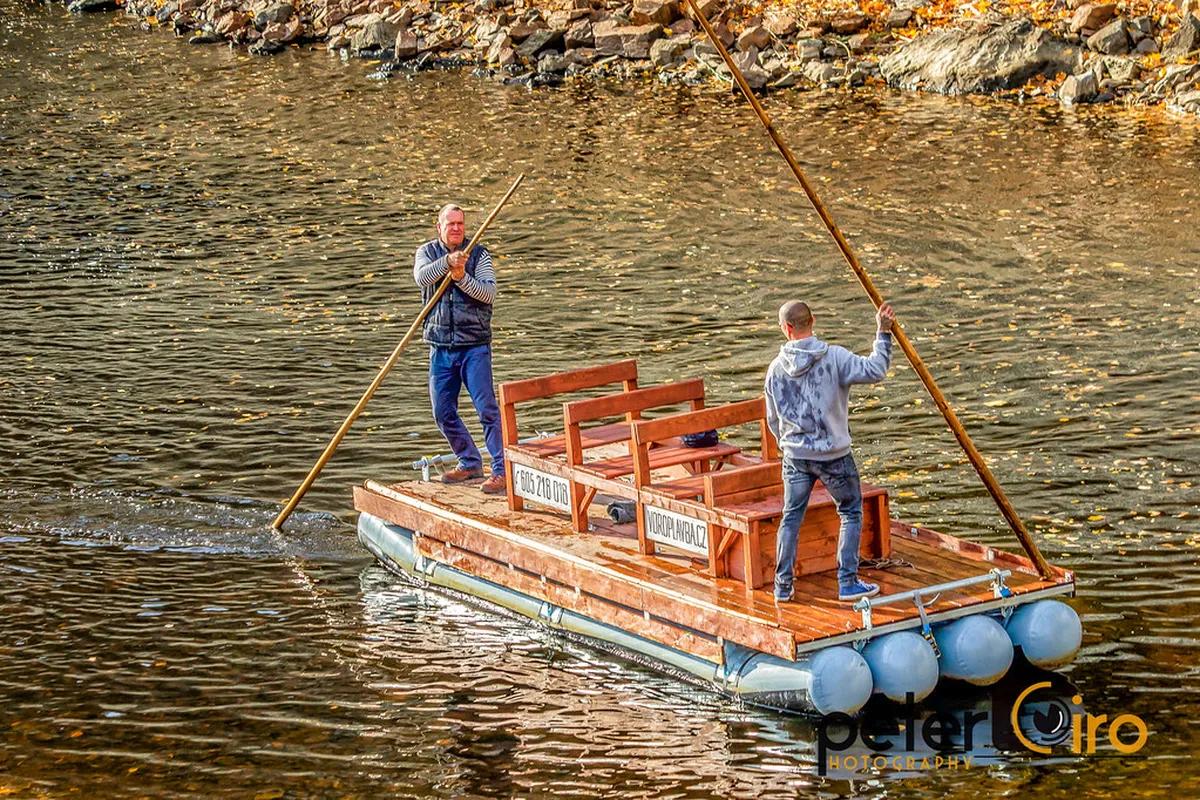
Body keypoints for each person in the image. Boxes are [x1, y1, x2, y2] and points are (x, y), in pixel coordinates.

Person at [764, 299, 895, 602]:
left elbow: (773, 418)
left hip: (795, 455)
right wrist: (883, 333)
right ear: (814, 320)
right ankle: (847, 582)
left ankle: (782, 587)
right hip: (834, 454)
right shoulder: (834, 358)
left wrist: (788, 444)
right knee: (849, 512)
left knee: (791, 517)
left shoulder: (774, 370)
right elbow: (875, 370)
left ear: (786, 329)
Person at [413, 203, 505, 494]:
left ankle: (501, 470)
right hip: (440, 347)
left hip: (474, 346)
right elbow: (421, 278)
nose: (456, 228)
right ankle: (469, 461)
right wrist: (447, 263)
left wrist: (461, 277)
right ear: (438, 227)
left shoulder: (479, 254)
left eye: (460, 224)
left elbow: (488, 294)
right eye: (450, 223)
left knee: (487, 410)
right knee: (442, 412)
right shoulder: (426, 253)